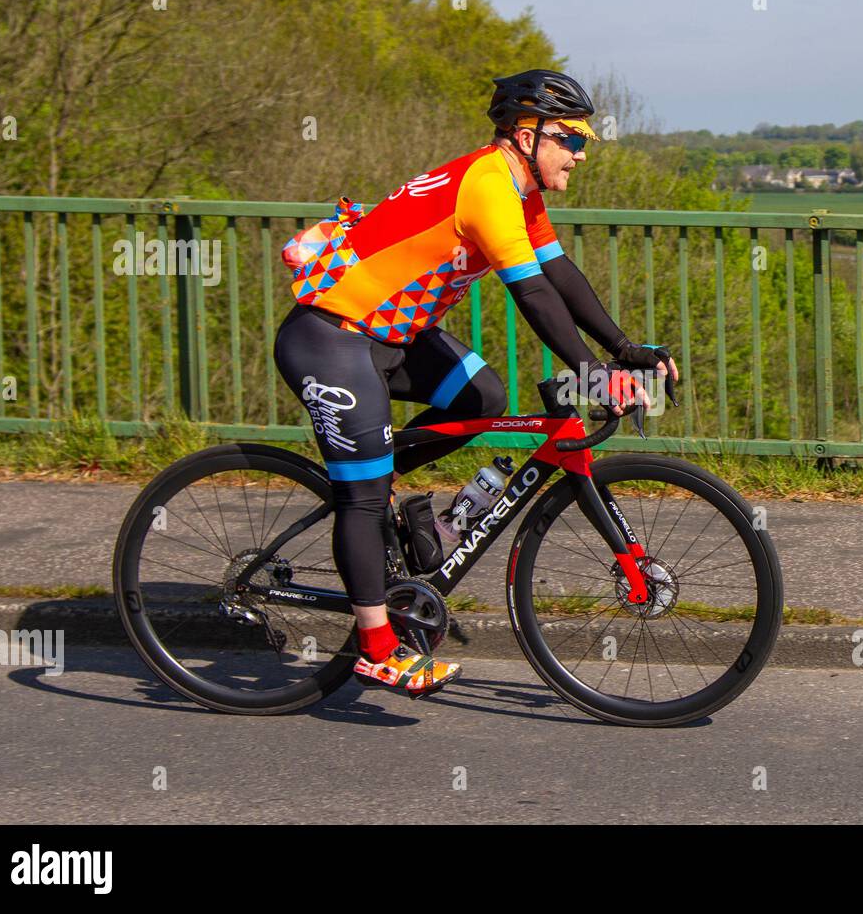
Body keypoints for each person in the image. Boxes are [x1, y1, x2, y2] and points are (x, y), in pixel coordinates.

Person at [272, 69, 679, 698]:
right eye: (571, 140)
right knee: (362, 493)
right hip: (333, 338)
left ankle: (386, 506)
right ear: (526, 133)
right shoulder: (487, 186)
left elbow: (559, 272)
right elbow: (532, 292)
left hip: (393, 338)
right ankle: (377, 648)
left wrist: (624, 348)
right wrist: (591, 372)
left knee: (483, 397)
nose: (580, 153)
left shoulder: (519, 189)